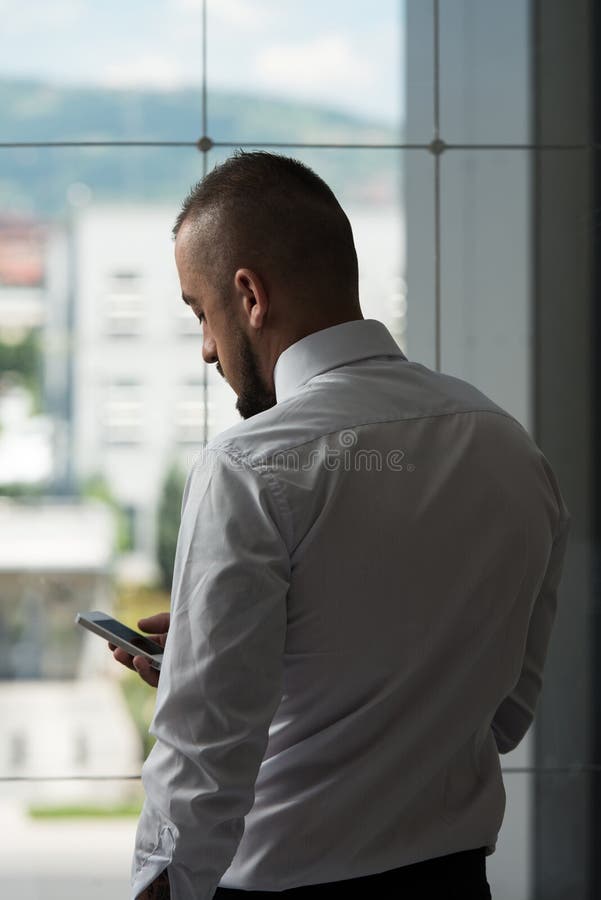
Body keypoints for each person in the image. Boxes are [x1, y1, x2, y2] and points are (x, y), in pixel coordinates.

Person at [111, 151, 572, 900]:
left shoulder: (250, 464)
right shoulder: (511, 448)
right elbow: (503, 713)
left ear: (249, 295)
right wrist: (241, 664)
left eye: (200, 314)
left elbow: (203, 755)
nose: (205, 349)